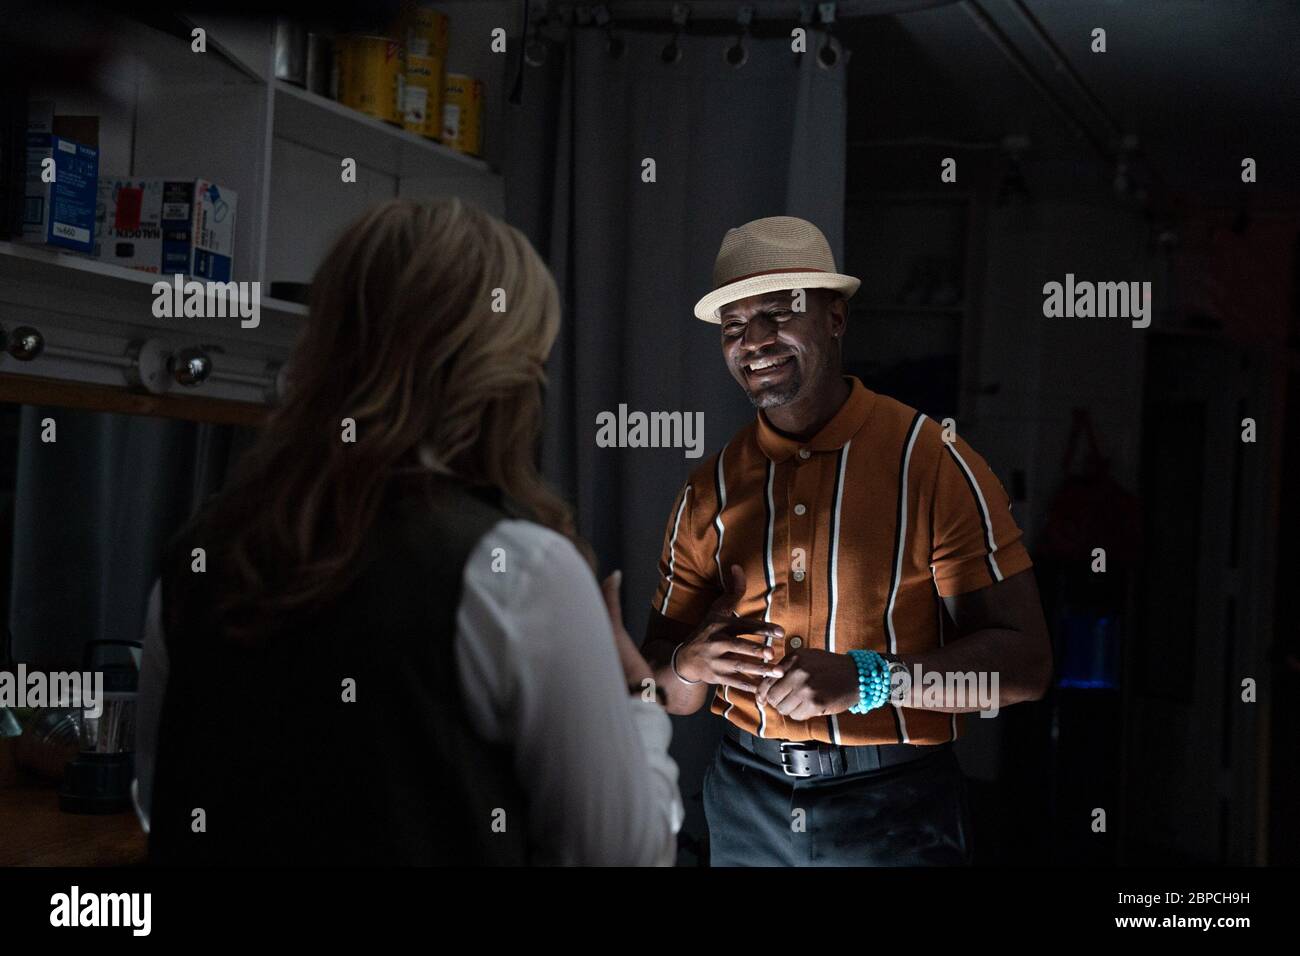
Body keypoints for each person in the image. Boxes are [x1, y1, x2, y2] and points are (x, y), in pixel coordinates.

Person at [134, 198, 682, 865]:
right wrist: (639, 702)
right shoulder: (517, 571)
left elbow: (162, 800)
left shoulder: (199, 556)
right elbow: (619, 856)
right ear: (501, 372)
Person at [641, 215, 1052, 866]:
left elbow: (1026, 668)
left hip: (895, 805)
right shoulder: (708, 489)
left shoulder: (931, 463)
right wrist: (689, 664)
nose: (755, 340)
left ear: (835, 318)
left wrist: (869, 680)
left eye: (779, 312)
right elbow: (660, 690)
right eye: (734, 326)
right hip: (745, 803)